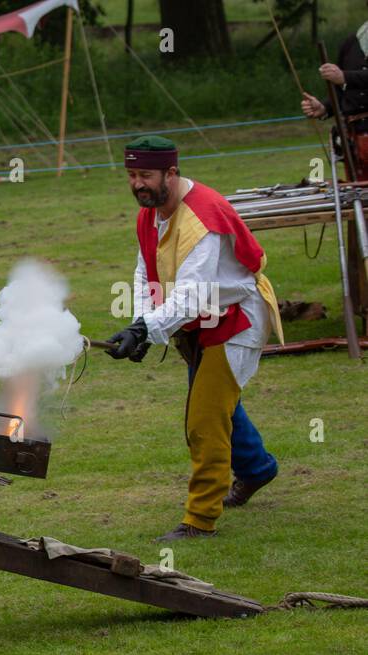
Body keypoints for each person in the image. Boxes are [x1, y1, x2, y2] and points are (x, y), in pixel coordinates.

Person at [107, 136, 282, 541]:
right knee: (219, 407)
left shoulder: (202, 218)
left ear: (171, 172)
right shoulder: (152, 211)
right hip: (196, 320)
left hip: (235, 320)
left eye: (145, 175)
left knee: (204, 421)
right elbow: (144, 269)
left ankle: (200, 521)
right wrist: (142, 321)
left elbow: (193, 295)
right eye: (131, 175)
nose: (137, 184)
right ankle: (257, 469)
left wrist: (145, 330)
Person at [300, 11, 368, 176]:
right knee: (358, 196)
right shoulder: (352, 42)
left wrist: (345, 76)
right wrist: (324, 108)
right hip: (355, 138)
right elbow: (342, 90)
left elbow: (343, 78)